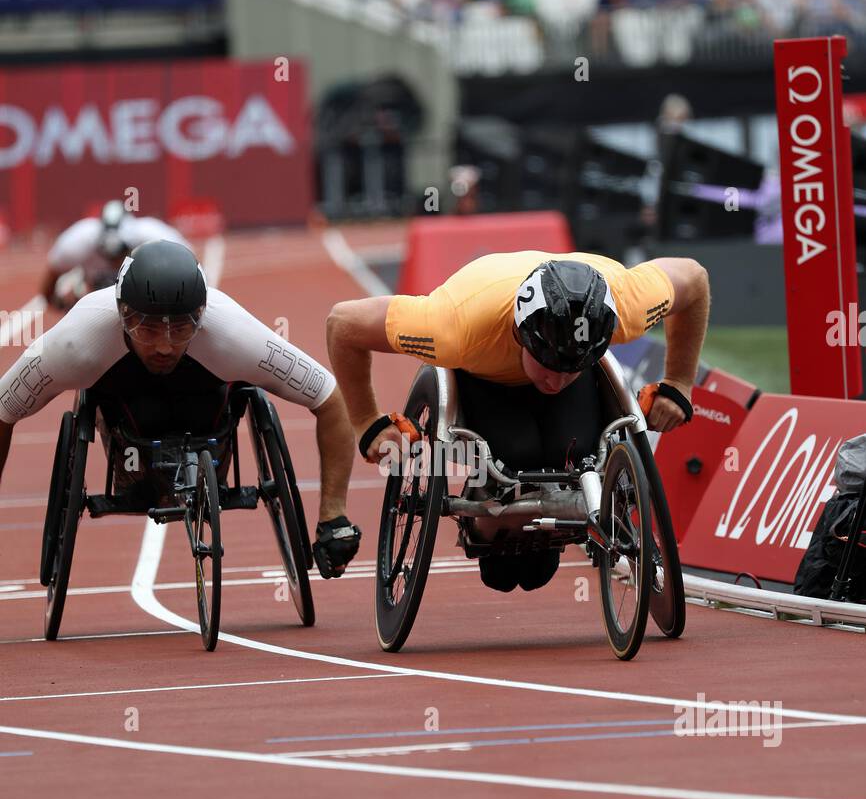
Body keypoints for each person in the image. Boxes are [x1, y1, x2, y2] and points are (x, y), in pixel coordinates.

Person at [326, 249, 709, 591]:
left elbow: (694, 278)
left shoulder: (625, 303)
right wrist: (367, 422)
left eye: (569, 369)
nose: (556, 381)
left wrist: (678, 384)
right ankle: (485, 509)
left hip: (564, 342)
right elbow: (342, 323)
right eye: (547, 365)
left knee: (569, 457)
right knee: (517, 468)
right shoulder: (453, 328)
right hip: (485, 373)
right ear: (522, 335)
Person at [1, 240, 361, 580]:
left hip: (206, 412)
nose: (164, 345)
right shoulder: (76, 341)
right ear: (123, 315)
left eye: (182, 327)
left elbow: (329, 397)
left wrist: (333, 513)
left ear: (202, 316)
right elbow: (4, 409)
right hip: (126, 422)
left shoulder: (231, 332)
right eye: (149, 327)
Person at [41, 201, 187, 309]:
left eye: (120, 254)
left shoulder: (155, 237)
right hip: (96, 299)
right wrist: (62, 305)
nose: (115, 263)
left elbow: (190, 266)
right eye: (108, 256)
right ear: (97, 245)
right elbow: (51, 276)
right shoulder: (77, 242)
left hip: (146, 298)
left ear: (133, 243)